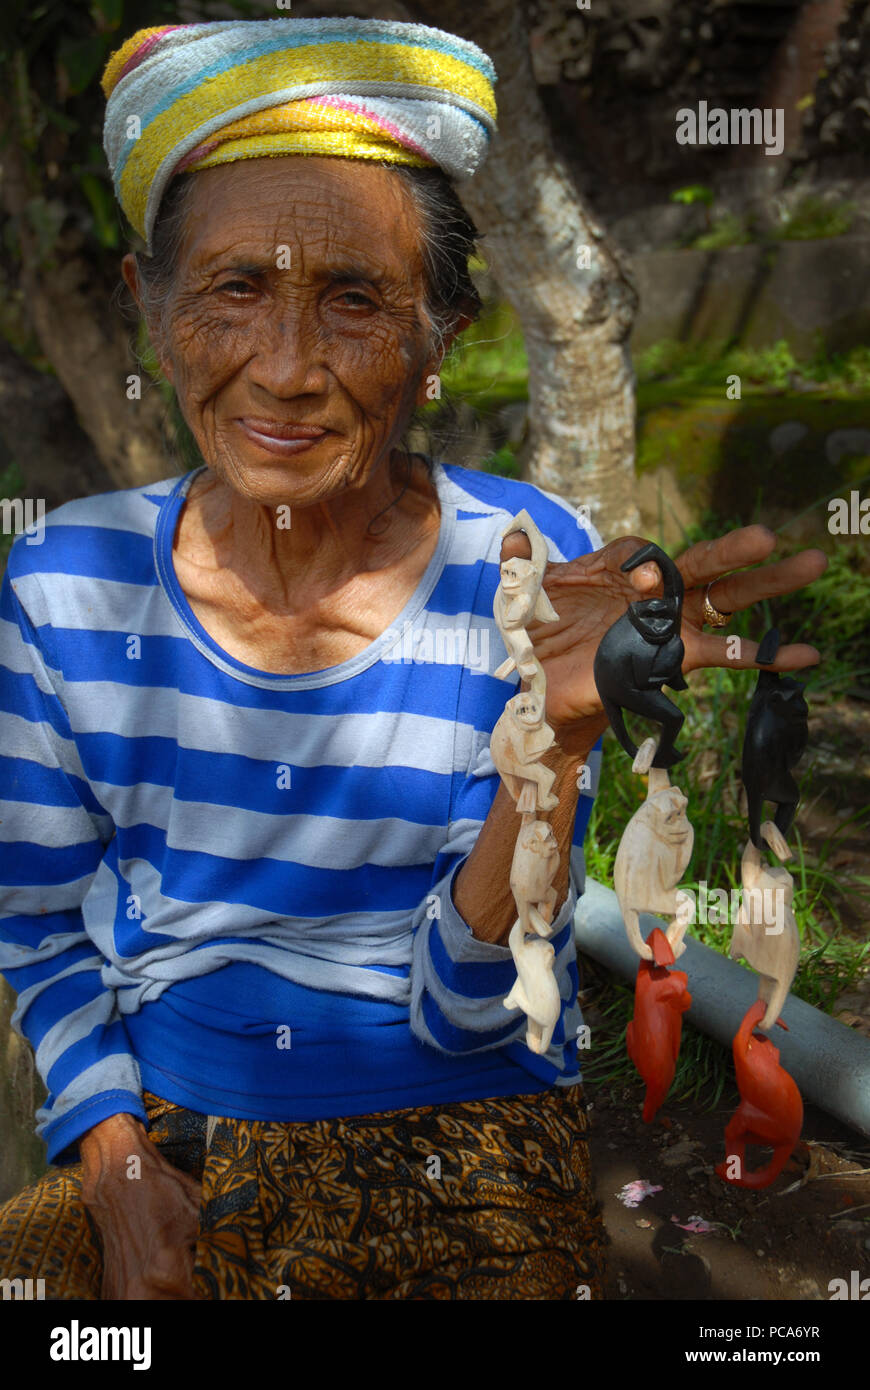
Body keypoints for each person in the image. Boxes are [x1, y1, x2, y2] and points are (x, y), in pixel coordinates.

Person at [0, 16, 825, 1301]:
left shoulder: (526, 569)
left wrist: (547, 749)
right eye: (233, 289)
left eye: (354, 301)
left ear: (440, 337)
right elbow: (43, 930)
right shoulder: (64, 583)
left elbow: (468, 1010)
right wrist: (113, 1163)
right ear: (147, 306)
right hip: (158, 1121)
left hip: (469, 1118)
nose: (286, 371)